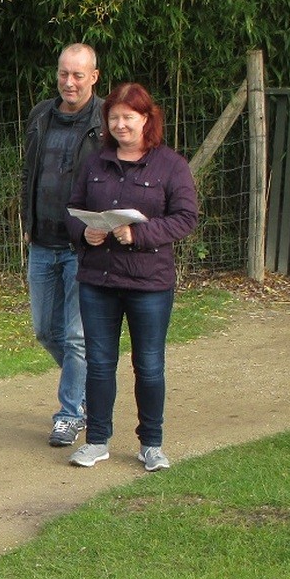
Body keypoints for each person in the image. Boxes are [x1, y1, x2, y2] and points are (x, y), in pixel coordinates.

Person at [65, 82, 198, 471]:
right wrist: (84, 232)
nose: (121, 124)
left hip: (149, 284)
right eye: (114, 117)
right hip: (98, 282)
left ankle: (151, 444)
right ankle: (97, 440)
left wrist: (138, 234)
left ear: (146, 119)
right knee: (100, 364)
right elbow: (73, 209)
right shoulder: (95, 163)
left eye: (129, 117)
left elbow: (186, 218)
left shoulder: (171, 165)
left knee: (150, 365)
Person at [20, 43, 104, 448]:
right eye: (63, 74)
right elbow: (28, 173)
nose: (69, 82)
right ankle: (89, 390)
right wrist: (26, 222)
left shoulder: (105, 122)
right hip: (42, 241)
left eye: (78, 75)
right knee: (44, 330)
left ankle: (70, 415)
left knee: (75, 336)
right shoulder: (40, 115)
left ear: (94, 77)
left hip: (82, 244)